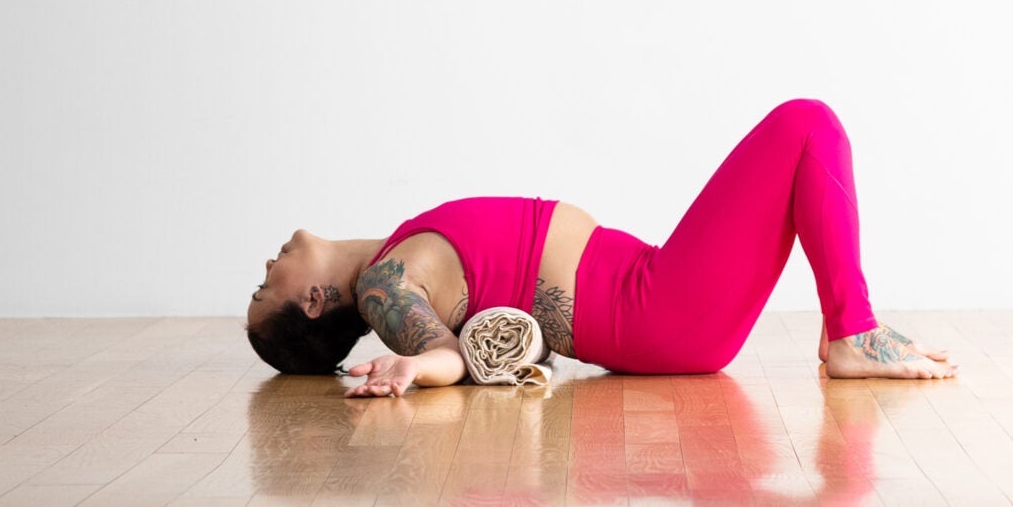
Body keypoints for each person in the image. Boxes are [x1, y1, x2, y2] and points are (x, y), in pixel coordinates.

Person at [241, 97, 958, 394]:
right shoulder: (383, 286)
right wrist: (412, 368)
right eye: (263, 288)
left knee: (807, 130)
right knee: (806, 124)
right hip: (657, 310)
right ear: (313, 303)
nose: (267, 266)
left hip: (655, 290)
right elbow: (446, 355)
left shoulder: (394, 256)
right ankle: (852, 332)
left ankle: (848, 328)